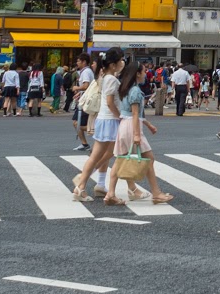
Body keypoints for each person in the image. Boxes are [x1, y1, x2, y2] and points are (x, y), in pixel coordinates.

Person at [103, 60, 172, 205]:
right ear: (138, 73)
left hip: (124, 125)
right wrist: (136, 134)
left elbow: (129, 113)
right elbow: (134, 114)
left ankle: (110, 193)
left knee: (119, 160)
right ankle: (156, 193)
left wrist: (147, 124)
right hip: (132, 127)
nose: (146, 73)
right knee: (149, 159)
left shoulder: (126, 88)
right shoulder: (135, 90)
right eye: (144, 71)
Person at [73, 48, 126, 200]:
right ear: (114, 64)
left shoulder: (107, 77)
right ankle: (81, 185)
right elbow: (110, 102)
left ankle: (90, 184)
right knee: (100, 155)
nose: (123, 62)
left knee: (103, 154)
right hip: (110, 120)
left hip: (105, 119)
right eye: (121, 60)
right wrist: (120, 117)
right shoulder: (111, 79)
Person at [70, 53, 96, 151]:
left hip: (86, 102)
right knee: (77, 123)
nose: (77, 63)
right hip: (84, 99)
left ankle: (98, 133)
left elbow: (86, 86)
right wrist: (79, 93)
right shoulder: (86, 71)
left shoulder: (85, 72)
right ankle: (85, 143)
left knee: (78, 123)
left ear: (84, 62)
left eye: (78, 61)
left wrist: (77, 88)